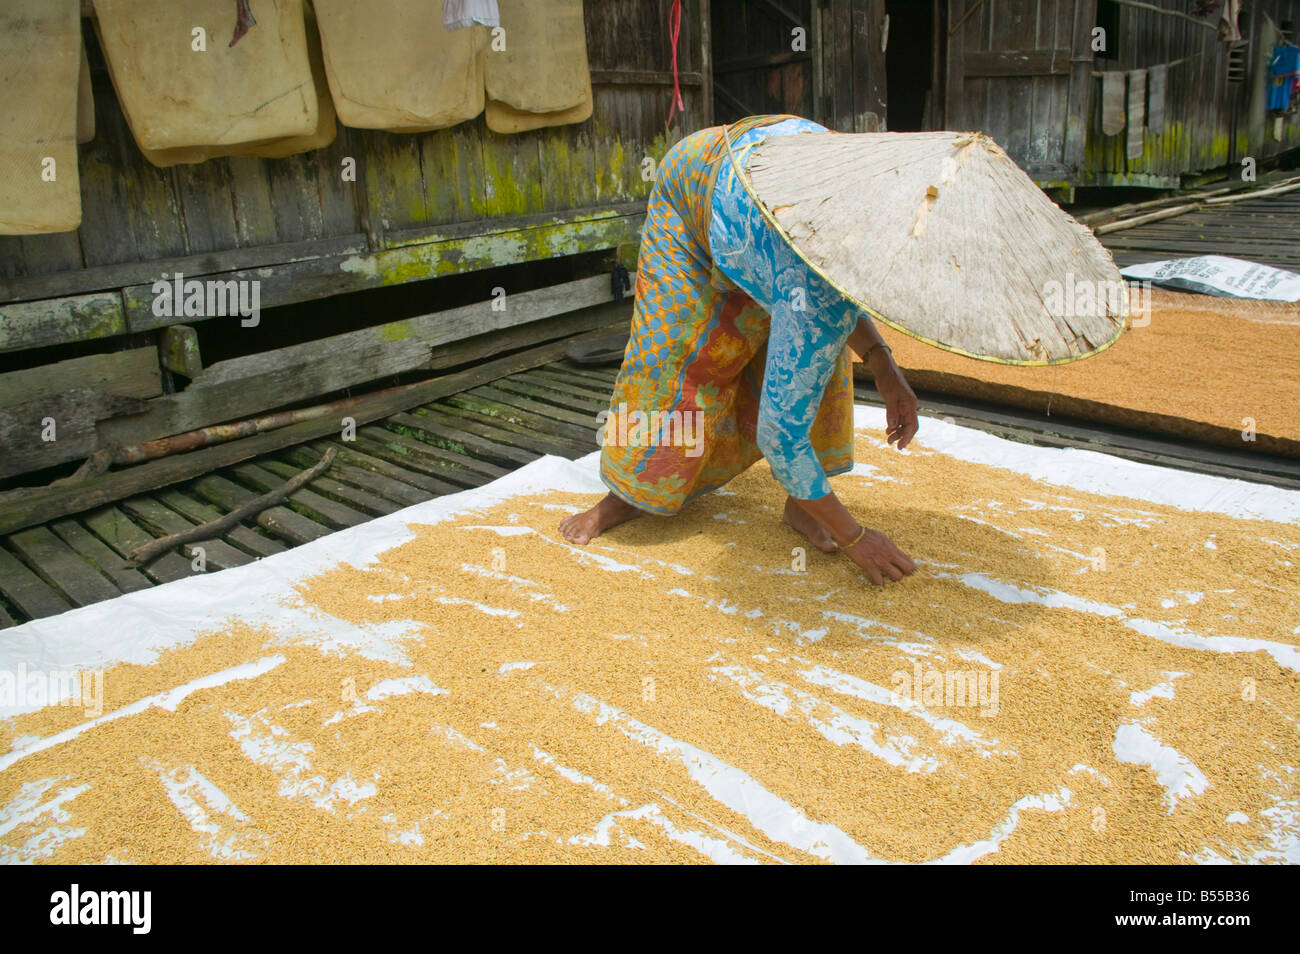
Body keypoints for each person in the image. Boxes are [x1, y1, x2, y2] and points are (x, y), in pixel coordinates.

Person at [559, 115, 919, 585]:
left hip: (759, 215)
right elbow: (780, 437)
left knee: (820, 354)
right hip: (694, 194)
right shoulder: (812, 269)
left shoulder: (848, 239)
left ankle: (805, 503)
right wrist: (855, 537)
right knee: (680, 354)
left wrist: (886, 367)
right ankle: (627, 493)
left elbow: (837, 306)